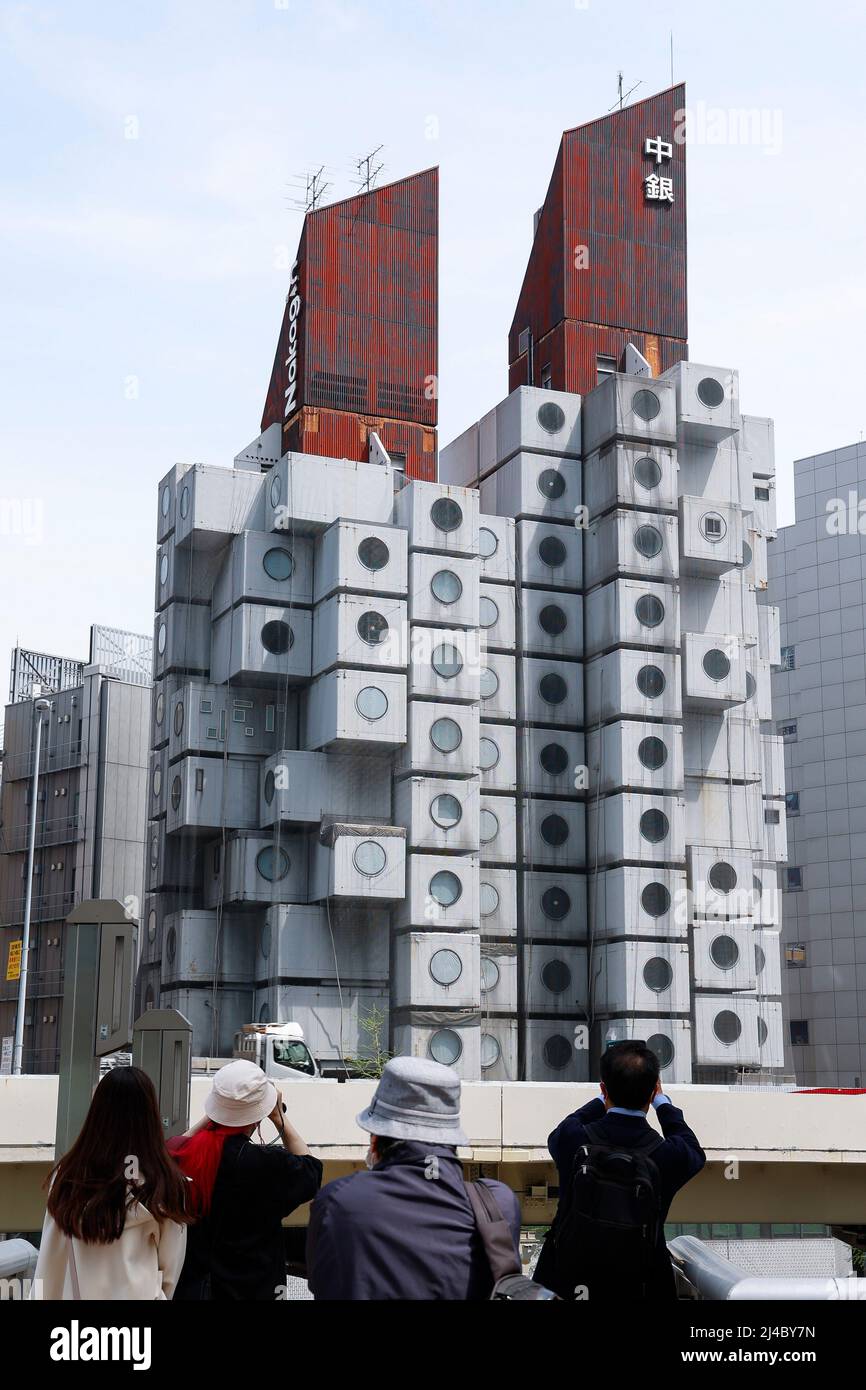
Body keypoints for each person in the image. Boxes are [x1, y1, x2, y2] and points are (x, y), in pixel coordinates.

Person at [306, 1055, 521, 1300]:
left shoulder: (338, 1201)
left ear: (376, 1140)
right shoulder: (498, 1204)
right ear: (450, 1138)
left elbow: (321, 1282)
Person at [533, 1040, 705, 1301]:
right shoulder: (668, 1155)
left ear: (604, 1088)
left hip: (567, 1283)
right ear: (651, 1092)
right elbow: (694, 1151)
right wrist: (664, 1105)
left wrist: (600, 1100)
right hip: (640, 1286)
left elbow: (568, 1124)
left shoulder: (571, 1140)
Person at [169, 1058, 322, 1300]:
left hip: (190, 1290)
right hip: (252, 1291)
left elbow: (173, 1149)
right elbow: (312, 1172)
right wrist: (279, 1117)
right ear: (260, 1112)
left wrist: (217, 1115)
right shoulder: (267, 1165)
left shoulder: (185, 1157)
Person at [32, 1066, 189, 1300]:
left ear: (97, 1113)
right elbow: (169, 1272)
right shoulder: (164, 1182)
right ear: (149, 1115)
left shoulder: (68, 1177)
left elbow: (50, 1256)